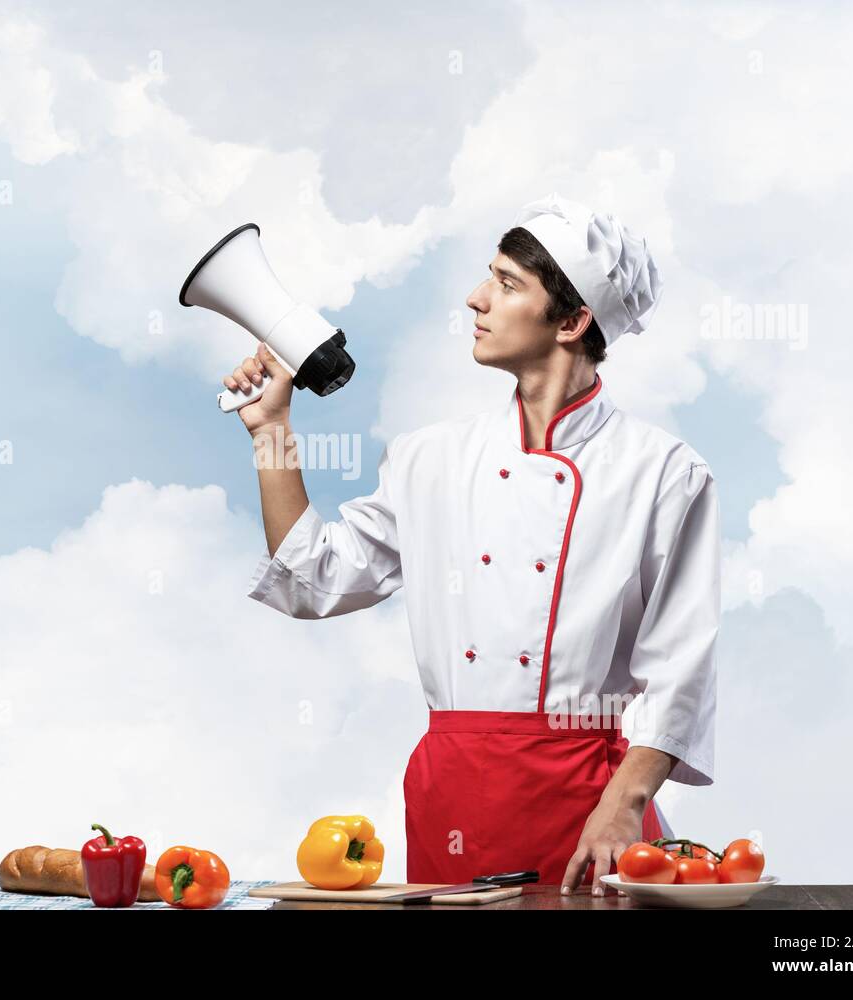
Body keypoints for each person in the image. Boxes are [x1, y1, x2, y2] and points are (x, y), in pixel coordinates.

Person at [226, 194, 720, 895]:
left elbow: (681, 670)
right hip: (451, 794)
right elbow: (314, 579)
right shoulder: (430, 459)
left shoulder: (664, 472)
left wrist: (624, 805)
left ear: (572, 322)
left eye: (507, 283)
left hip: (591, 804)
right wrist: (272, 431)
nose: (475, 298)